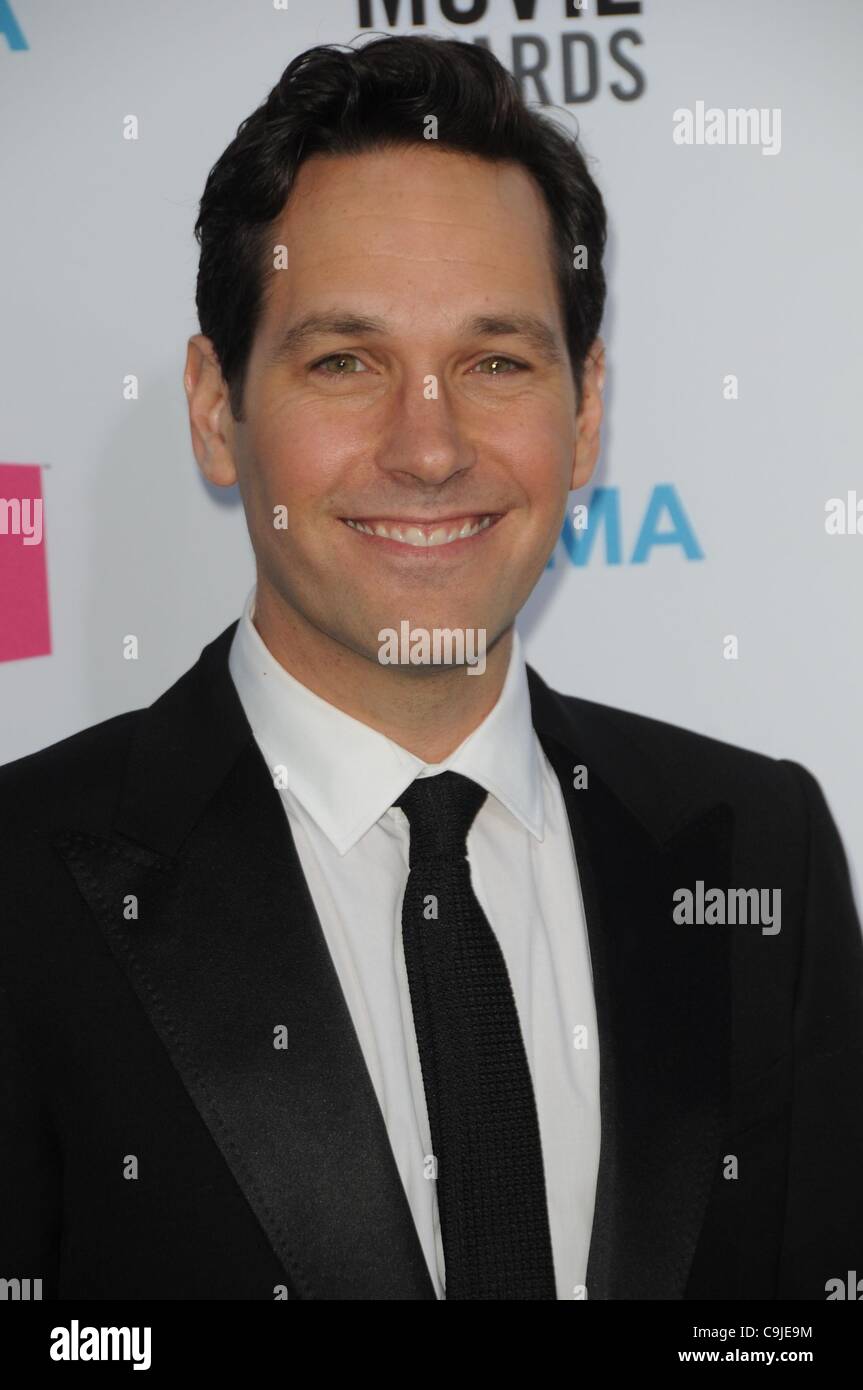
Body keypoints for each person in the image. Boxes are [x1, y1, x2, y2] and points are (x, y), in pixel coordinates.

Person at [1, 34, 861, 1302]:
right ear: (213, 406)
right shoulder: (23, 884)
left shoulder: (756, 850)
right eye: (344, 360)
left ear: (584, 417)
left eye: (494, 361)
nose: (427, 447)